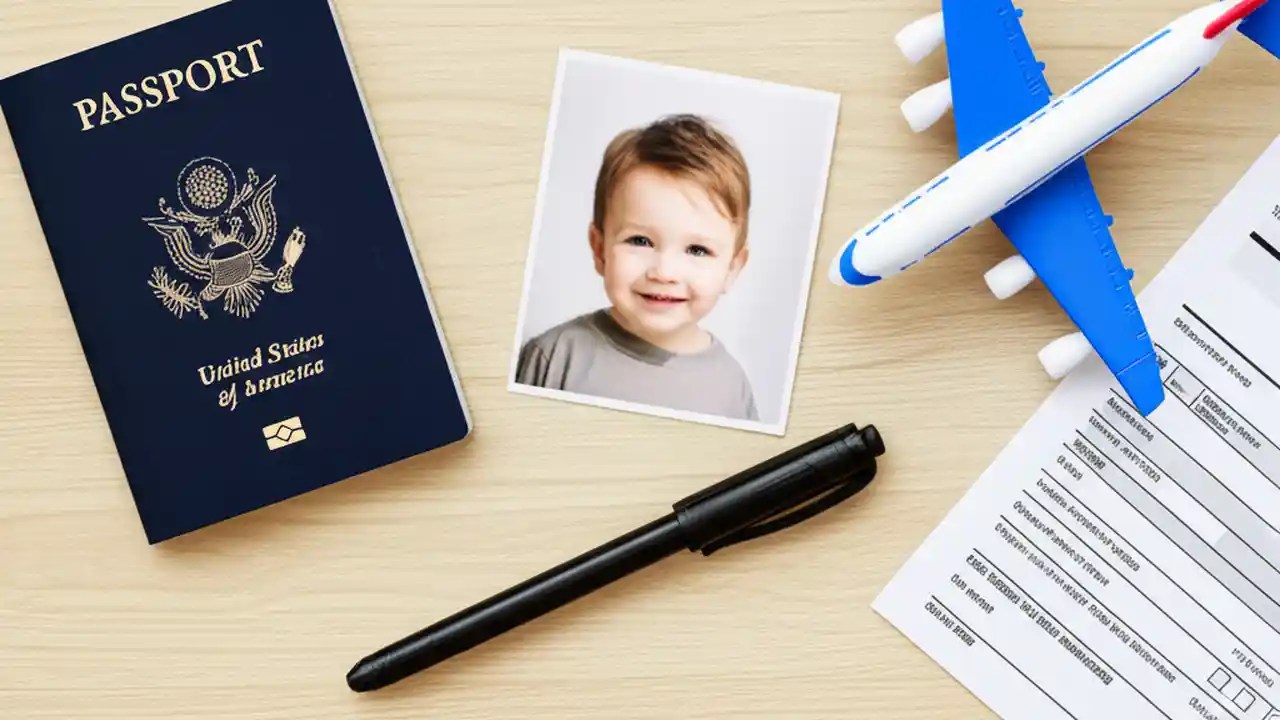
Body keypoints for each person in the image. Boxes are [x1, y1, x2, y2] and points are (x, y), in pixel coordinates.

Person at [515, 114, 758, 421]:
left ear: (733, 268)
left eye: (697, 249)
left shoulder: (731, 387)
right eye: (640, 241)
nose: (664, 272)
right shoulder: (554, 357)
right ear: (599, 248)